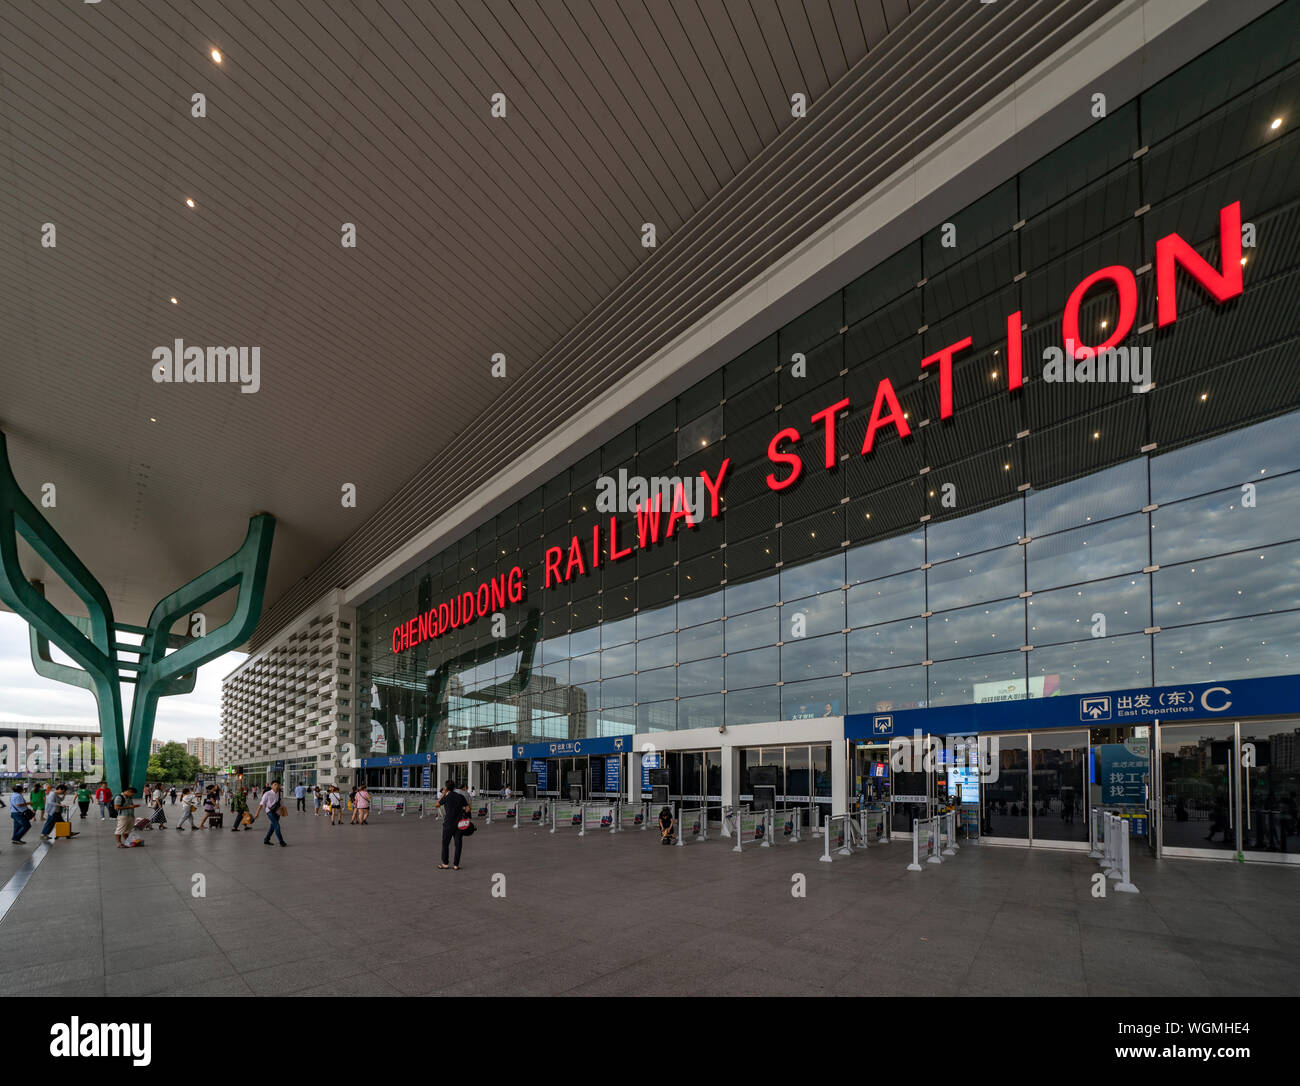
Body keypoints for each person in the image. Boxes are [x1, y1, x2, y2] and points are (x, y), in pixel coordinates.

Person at [436, 779, 469, 870]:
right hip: (458, 824)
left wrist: (443, 793)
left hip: (448, 824)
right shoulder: (460, 797)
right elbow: (467, 808)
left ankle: (445, 864)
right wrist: (463, 814)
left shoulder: (446, 797)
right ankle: (456, 865)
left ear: (446, 788)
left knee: (445, 843)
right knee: (458, 844)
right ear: (454, 787)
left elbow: (437, 804)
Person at [259, 781, 287, 846]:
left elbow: (281, 802)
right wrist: (257, 813)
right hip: (270, 812)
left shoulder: (279, 793)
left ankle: (266, 839)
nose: (277, 786)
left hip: (277, 812)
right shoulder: (267, 793)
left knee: (272, 827)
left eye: (278, 785)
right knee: (277, 826)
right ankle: (281, 841)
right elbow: (261, 804)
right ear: (271, 786)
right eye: (275, 785)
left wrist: (284, 811)